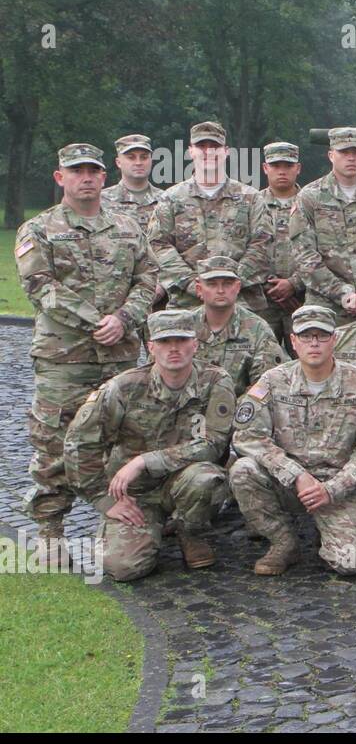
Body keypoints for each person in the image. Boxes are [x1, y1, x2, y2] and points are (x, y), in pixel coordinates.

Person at [15, 143, 157, 552]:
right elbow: (41, 286)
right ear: (60, 177)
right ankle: (51, 531)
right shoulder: (39, 229)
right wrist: (97, 322)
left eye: (93, 171)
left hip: (120, 355)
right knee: (54, 442)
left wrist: (124, 319)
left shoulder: (127, 227)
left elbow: (148, 278)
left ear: (104, 176)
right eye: (77, 171)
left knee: (125, 437)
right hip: (65, 358)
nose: (86, 178)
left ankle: (120, 523)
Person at [63, 310, 235, 581]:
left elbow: (214, 443)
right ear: (151, 347)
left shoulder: (215, 381)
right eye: (165, 341)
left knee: (207, 479)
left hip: (185, 482)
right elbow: (79, 443)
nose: (174, 348)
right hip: (136, 493)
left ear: (195, 344)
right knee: (124, 568)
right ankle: (141, 529)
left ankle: (190, 531)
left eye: (181, 340)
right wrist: (104, 500)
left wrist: (145, 460)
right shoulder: (123, 388)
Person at [229, 305, 356, 576]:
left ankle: (330, 532)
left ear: (334, 339)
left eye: (322, 335)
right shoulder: (273, 381)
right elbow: (248, 436)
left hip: (338, 486)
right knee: (243, 471)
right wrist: (296, 475)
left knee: (350, 564)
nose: (314, 343)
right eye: (306, 336)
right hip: (288, 482)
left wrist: (332, 489)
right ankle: (284, 542)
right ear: (293, 341)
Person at [148, 121, 273, 316]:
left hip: (242, 306)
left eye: (215, 146)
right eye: (201, 146)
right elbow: (158, 246)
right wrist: (193, 285)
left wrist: (229, 284)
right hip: (187, 305)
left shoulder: (251, 198)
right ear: (190, 151)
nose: (208, 152)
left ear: (226, 152)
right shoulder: (171, 199)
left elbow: (263, 245)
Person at [289, 126, 356, 323]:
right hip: (324, 305)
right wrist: (343, 293)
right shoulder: (310, 197)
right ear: (331, 155)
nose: (351, 158)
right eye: (344, 152)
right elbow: (305, 256)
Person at [191, 255, 287, 395]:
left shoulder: (257, 329)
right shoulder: (185, 326)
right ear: (199, 289)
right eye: (212, 284)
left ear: (237, 287)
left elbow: (268, 385)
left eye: (227, 284)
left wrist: (244, 405)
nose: (220, 290)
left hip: (240, 406)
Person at [254, 141, 305, 342]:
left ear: (298, 168)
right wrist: (269, 285)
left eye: (288, 166)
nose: (282, 171)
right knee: (261, 354)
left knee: (307, 355)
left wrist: (294, 283)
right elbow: (242, 247)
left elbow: (326, 249)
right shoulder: (251, 204)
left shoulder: (311, 203)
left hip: (303, 299)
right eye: (275, 166)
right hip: (260, 299)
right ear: (265, 168)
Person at [100, 134, 164, 233]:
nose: (138, 163)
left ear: (151, 161)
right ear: (118, 162)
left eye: (144, 157)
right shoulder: (101, 201)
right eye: (131, 158)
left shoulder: (166, 199)